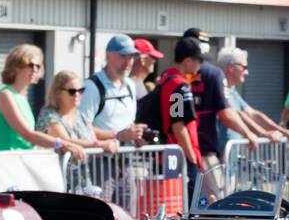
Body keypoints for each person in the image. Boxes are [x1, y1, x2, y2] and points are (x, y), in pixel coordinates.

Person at [180, 28, 260, 198]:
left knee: (187, 206)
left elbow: (176, 122)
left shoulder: (170, 78)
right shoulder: (212, 74)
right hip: (201, 154)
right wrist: (248, 133)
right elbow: (226, 114)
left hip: (178, 153)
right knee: (217, 203)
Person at [0, 44, 84, 159]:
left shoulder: (22, 98)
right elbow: (27, 134)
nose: (34, 69)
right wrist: (63, 144)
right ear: (16, 66)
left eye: (38, 66)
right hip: (6, 163)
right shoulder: (5, 95)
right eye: (30, 65)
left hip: (21, 162)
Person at [216, 47, 289, 156]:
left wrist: (284, 132)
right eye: (244, 67)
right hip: (220, 154)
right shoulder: (220, 89)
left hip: (230, 156)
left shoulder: (232, 90)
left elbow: (253, 114)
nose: (247, 72)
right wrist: (263, 133)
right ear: (231, 68)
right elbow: (238, 115)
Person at [80, 35, 147, 147]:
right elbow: (81, 128)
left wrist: (137, 137)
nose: (127, 62)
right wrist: (118, 136)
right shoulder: (91, 87)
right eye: (122, 56)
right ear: (108, 56)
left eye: (131, 57)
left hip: (127, 158)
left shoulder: (130, 85)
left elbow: (129, 124)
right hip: (100, 160)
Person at [156, 38, 202, 199]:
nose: (200, 65)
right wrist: (193, 160)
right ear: (188, 61)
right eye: (199, 60)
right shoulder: (179, 85)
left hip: (171, 154)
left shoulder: (165, 78)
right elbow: (178, 125)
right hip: (181, 156)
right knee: (188, 207)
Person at [36, 71, 118, 153]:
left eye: (80, 90)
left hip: (84, 165)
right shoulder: (48, 115)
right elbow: (66, 142)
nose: (77, 94)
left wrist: (112, 142)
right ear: (58, 93)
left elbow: (93, 141)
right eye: (72, 91)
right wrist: (102, 144)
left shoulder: (80, 116)